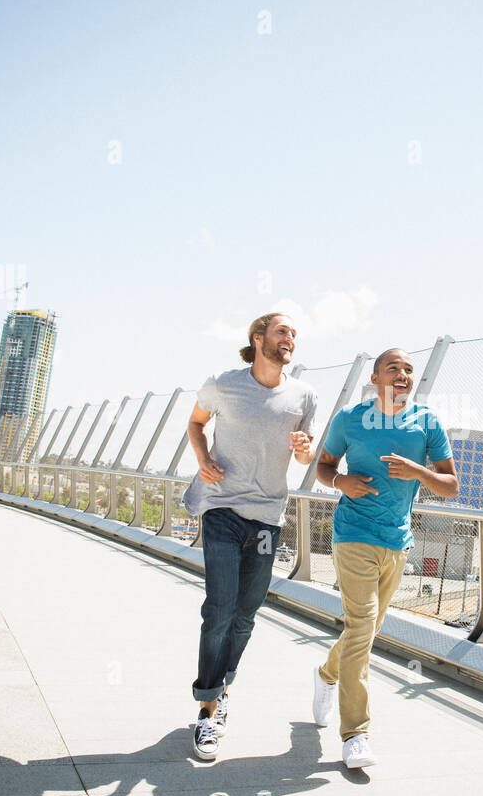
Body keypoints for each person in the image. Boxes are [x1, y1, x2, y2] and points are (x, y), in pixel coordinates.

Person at [311, 348, 458, 768]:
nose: (402, 374)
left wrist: (419, 472)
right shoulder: (349, 419)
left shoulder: (427, 422)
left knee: (366, 630)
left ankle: (326, 674)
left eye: (409, 369)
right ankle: (355, 733)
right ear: (375, 378)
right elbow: (323, 466)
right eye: (393, 368)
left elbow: (450, 485)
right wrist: (341, 481)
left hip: (398, 541)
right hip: (353, 534)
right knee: (361, 629)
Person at [183, 312, 317, 761]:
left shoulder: (304, 395)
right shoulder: (223, 383)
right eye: (282, 331)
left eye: (294, 334)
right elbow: (196, 423)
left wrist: (304, 451)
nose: (290, 338)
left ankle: (222, 690)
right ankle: (207, 710)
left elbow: (305, 455)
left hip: (267, 519)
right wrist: (203, 458)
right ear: (258, 338)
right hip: (222, 509)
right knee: (219, 608)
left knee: (245, 614)